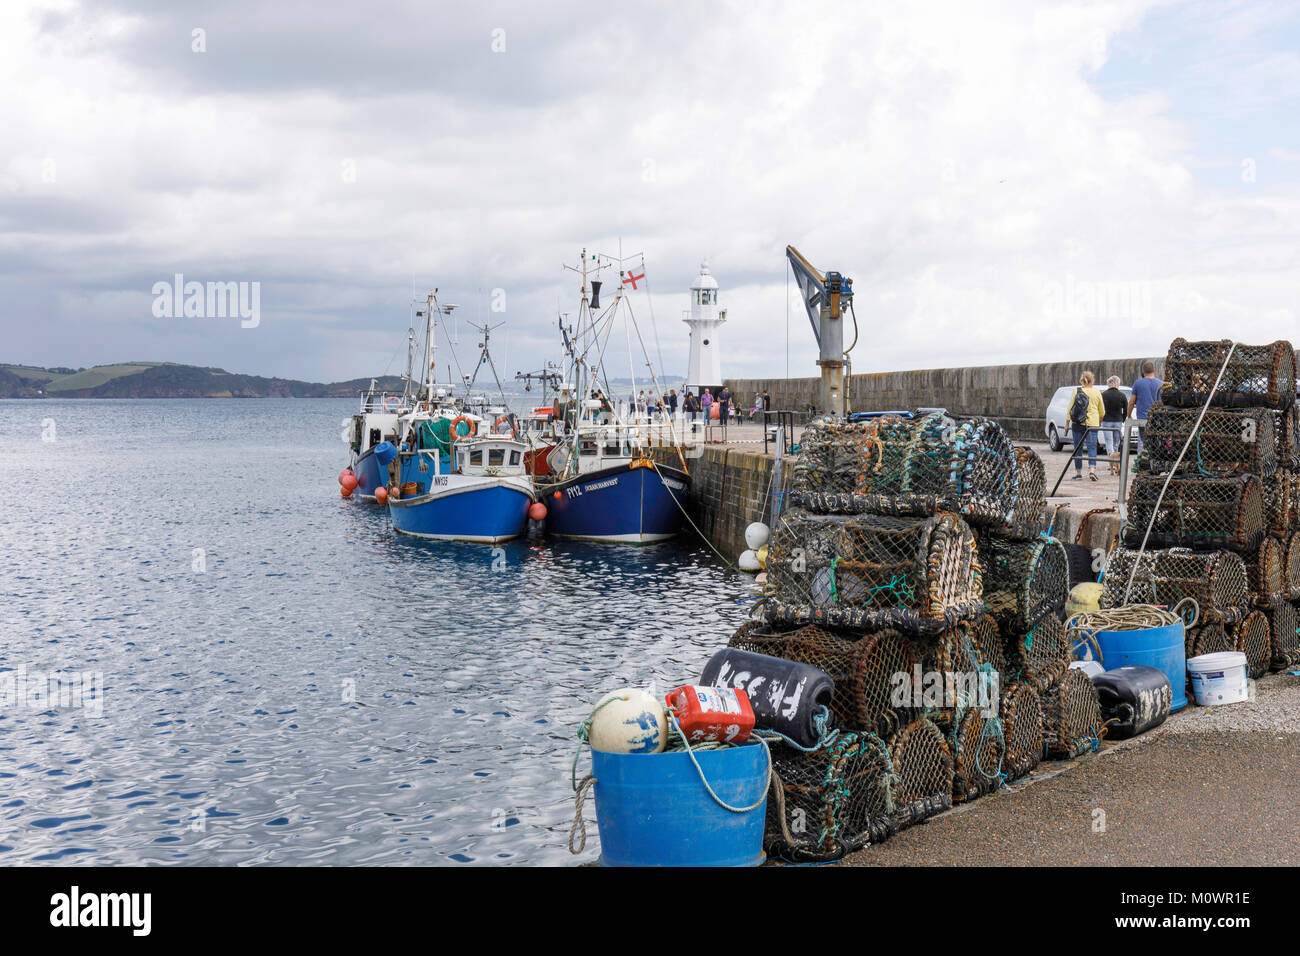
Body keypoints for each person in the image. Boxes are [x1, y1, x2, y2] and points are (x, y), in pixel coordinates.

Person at [1069, 370, 1105, 482]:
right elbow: (1102, 411)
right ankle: (1092, 471)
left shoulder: (1076, 391)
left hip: (1078, 423)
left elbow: (1070, 408)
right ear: (1092, 380)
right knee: (1092, 447)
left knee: (1078, 448)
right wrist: (1099, 422)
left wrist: (1067, 423)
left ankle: (1078, 472)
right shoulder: (1096, 392)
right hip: (1092, 424)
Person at [1127, 361, 1163, 444]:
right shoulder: (1161, 384)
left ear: (1143, 371)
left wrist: (1129, 415)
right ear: (1154, 370)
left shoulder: (1138, 383)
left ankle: (1145, 455)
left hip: (1143, 419)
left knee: (1144, 442)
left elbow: (1132, 402)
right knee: (1156, 442)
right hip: (1158, 418)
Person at [1101, 375, 1127, 471]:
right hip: (1118, 421)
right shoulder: (1122, 395)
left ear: (1109, 384)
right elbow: (1126, 409)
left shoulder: (1103, 395)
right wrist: (1122, 419)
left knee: (1109, 443)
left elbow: (1100, 409)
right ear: (1117, 384)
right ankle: (1116, 463)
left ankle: (1111, 463)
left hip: (1106, 420)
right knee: (1116, 442)